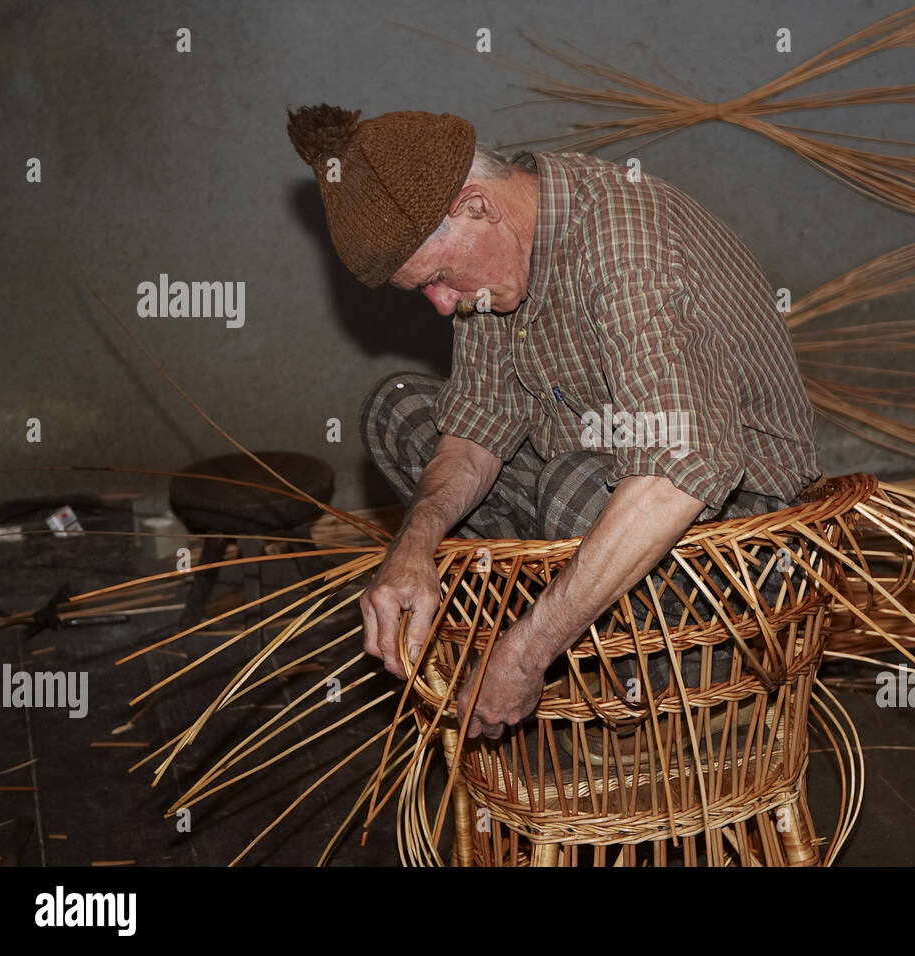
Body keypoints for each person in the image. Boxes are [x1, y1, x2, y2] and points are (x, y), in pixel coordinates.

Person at [287, 104, 821, 740]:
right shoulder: (494, 268)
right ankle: (579, 622)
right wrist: (413, 547)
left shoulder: (625, 242)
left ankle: (679, 689)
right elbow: (478, 430)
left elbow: (678, 475)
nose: (441, 305)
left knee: (568, 487)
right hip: (598, 487)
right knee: (397, 408)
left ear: (476, 204)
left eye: (439, 279)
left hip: (748, 532)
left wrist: (526, 652)